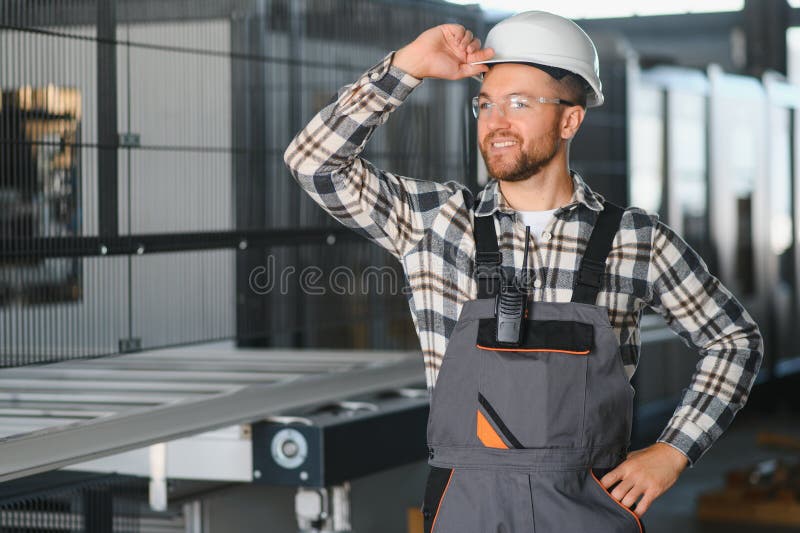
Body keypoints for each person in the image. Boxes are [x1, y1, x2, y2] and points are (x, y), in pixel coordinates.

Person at [284, 10, 763, 532]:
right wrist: (409, 66)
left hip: (589, 505)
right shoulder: (435, 223)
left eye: (519, 103)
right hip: (468, 507)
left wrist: (674, 450)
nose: (496, 122)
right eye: (485, 104)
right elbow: (313, 162)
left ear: (569, 119)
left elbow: (734, 340)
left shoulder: (635, 239)